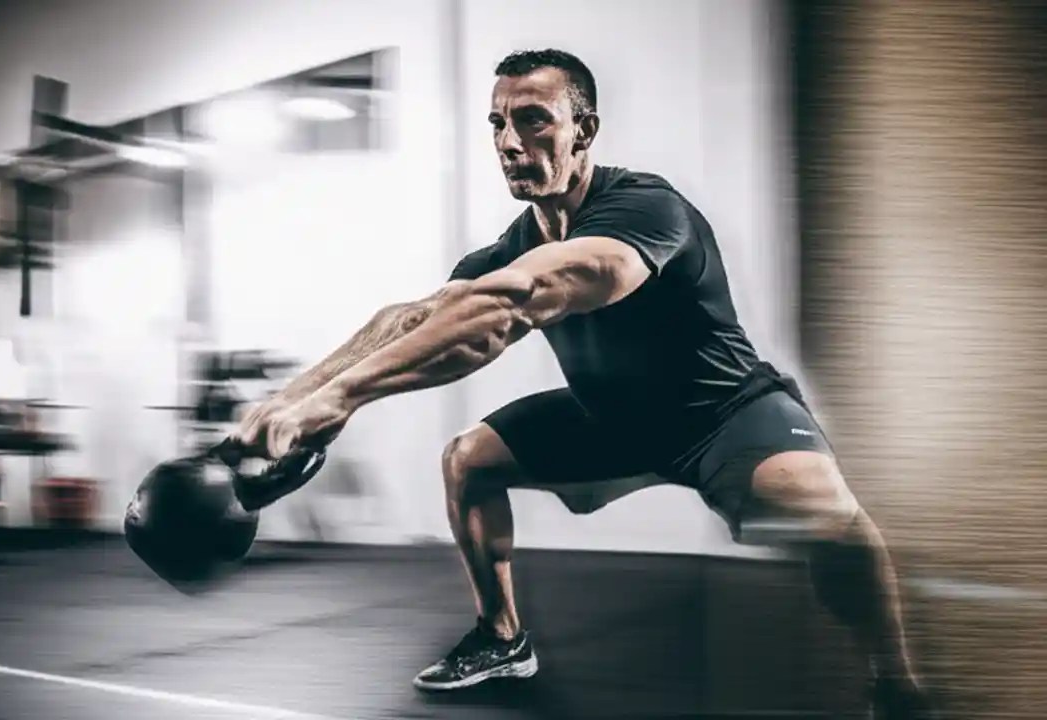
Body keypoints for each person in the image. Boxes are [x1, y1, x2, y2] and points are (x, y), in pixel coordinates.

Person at [231, 49, 931, 718]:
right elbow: (413, 318)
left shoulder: (647, 209)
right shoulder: (512, 244)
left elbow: (515, 302)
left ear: (584, 129)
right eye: (498, 123)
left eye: (533, 118)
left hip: (721, 413)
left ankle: (895, 681)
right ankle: (503, 641)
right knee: (468, 460)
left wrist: (346, 395)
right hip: (612, 421)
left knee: (815, 504)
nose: (509, 140)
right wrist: (303, 396)